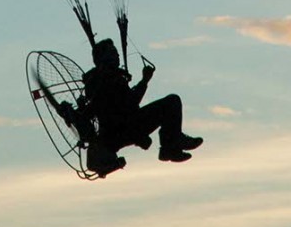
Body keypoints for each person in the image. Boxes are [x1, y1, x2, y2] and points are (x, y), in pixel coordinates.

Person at [78, 38, 202, 170]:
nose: (118, 55)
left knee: (171, 103)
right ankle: (170, 146)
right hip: (125, 128)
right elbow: (130, 104)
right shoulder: (108, 80)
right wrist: (144, 81)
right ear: (105, 58)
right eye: (113, 53)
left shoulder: (99, 80)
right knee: (172, 102)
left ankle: (171, 145)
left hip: (119, 132)